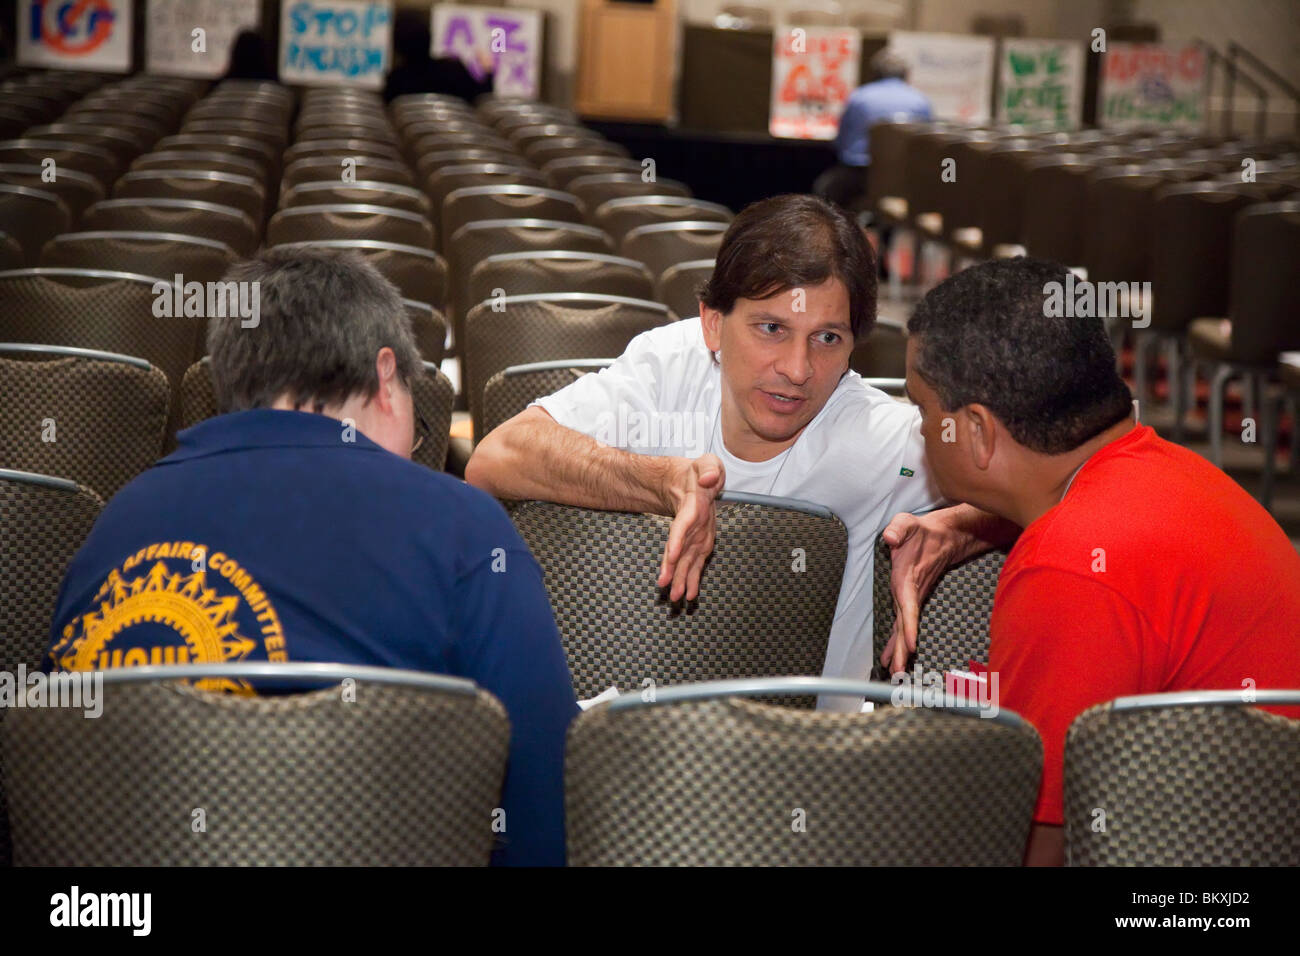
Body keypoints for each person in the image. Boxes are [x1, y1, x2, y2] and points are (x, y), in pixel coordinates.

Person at [43, 248, 578, 867]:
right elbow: (549, 816)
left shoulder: (113, 525)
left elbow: (53, 796)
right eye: (418, 424)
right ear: (385, 378)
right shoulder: (464, 527)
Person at [466, 194, 1016, 711]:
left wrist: (969, 523)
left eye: (827, 339)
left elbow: (1067, 481)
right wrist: (658, 481)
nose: (797, 370)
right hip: (629, 749)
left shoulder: (887, 439)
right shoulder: (668, 369)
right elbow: (496, 458)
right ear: (712, 322)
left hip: (805, 765)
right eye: (772, 329)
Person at [902, 256, 1300, 866]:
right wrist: (984, 519)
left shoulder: (1070, 566)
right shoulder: (1169, 469)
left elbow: (1034, 846)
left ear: (977, 431)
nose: (921, 431)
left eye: (924, 410)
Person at [815, 48, 932, 211]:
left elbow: (841, 143)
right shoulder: (921, 101)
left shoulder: (859, 97)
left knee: (825, 188)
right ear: (906, 74)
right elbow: (926, 145)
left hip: (859, 175)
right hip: (902, 180)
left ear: (875, 73)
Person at [384, 8, 494, 104]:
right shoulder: (453, 70)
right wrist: (488, 71)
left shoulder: (396, 81)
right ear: (429, 37)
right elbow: (481, 100)